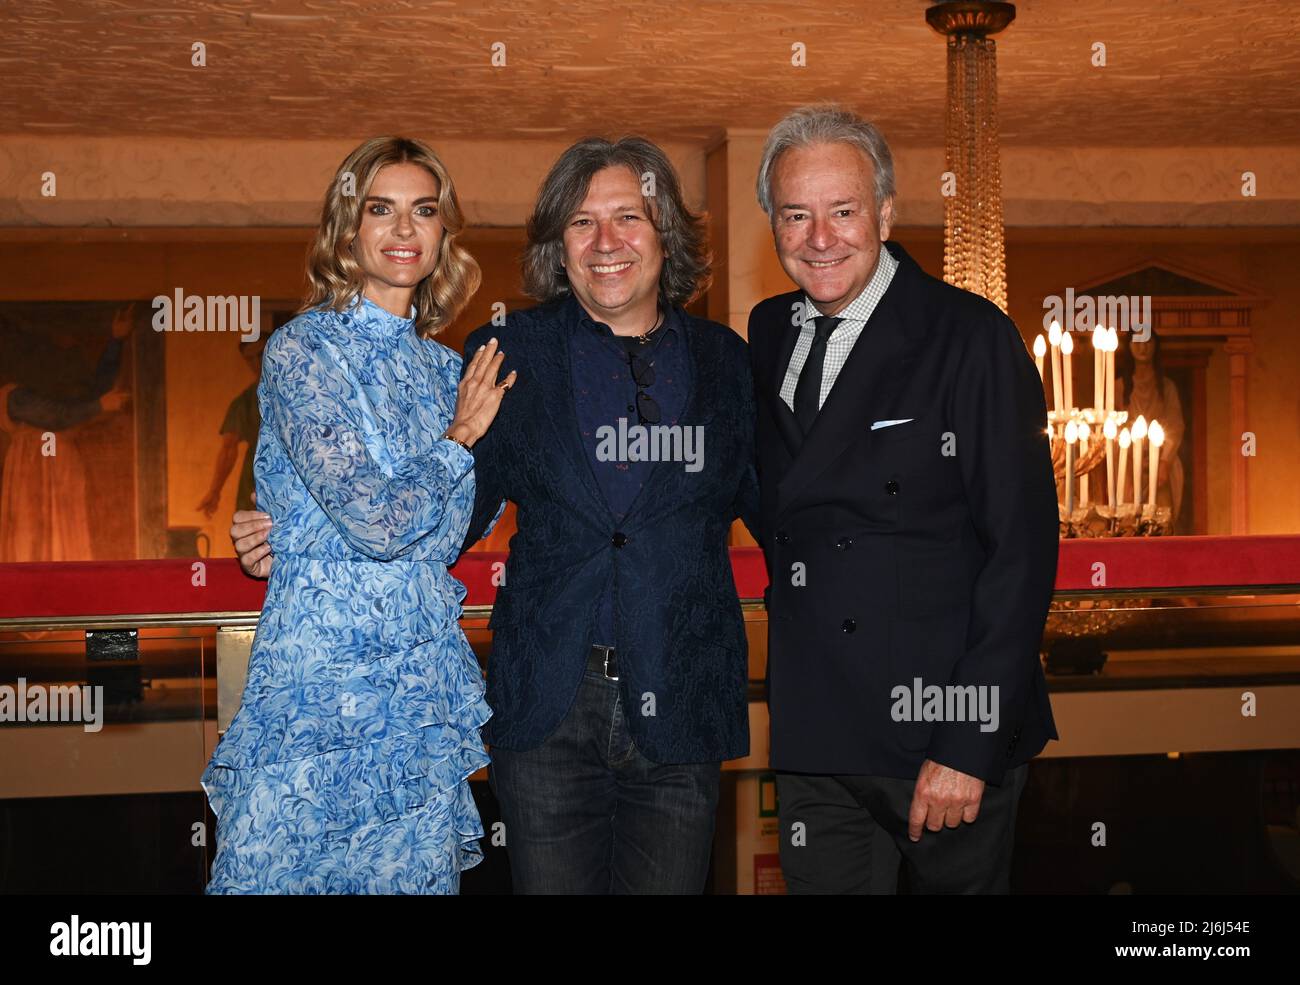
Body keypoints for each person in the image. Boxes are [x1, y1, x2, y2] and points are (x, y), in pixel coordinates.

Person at [235, 136, 760, 894]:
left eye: (628, 218)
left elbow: (450, 523)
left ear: (665, 234)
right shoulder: (500, 355)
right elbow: (390, 511)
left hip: (674, 704)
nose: (606, 242)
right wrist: (279, 521)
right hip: (507, 703)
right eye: (582, 222)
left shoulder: (719, 360)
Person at [747, 105, 1059, 894]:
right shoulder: (769, 329)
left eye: (844, 211)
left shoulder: (970, 335)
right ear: (774, 224)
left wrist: (967, 740)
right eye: (797, 214)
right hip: (818, 730)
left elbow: (1021, 551)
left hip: (940, 734)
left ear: (885, 212)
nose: (821, 237)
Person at [203, 135, 514, 895]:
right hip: (319, 673)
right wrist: (459, 440)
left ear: (444, 235)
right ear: (349, 228)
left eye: (424, 211)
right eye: (382, 209)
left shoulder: (450, 371)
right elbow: (380, 524)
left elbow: (439, 537)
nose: (404, 231)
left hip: (415, 676)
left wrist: (306, 529)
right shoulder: (302, 351)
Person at [196, 333, 269, 518]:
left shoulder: (298, 392)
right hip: (256, 480)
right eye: (250, 359)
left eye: (261, 355)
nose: (256, 363)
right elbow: (228, 449)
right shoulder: (243, 402)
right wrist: (214, 491)